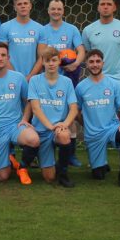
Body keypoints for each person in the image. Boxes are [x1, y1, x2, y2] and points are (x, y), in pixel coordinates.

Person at [0, 42, 41, 184]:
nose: (0, 58)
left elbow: (29, 101)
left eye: (3, 55)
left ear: (8, 58)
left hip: (15, 126)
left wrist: (25, 119)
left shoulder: (18, 78)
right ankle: (10, 160)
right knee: (3, 176)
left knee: (34, 139)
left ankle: (22, 168)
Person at [74, 49, 120, 187]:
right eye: (91, 62)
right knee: (98, 176)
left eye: (98, 61)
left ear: (103, 63)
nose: (95, 65)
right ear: (86, 64)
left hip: (111, 128)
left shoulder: (113, 84)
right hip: (93, 135)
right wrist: (85, 124)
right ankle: (101, 164)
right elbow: (75, 111)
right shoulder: (81, 87)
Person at [37, 0, 86, 167]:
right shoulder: (43, 30)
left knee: (70, 114)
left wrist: (76, 63)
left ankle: (70, 154)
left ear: (63, 11)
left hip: (68, 78)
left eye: (59, 9)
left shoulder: (72, 29)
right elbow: (41, 55)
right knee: (48, 112)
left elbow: (80, 50)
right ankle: (45, 151)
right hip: (48, 79)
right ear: (48, 11)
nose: (56, 12)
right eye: (53, 9)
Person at [26, 47, 78, 187]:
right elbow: (35, 109)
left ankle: (63, 174)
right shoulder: (35, 81)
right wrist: (51, 126)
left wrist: (64, 124)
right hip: (42, 131)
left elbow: (73, 109)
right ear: (42, 62)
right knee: (49, 178)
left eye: (54, 60)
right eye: (47, 60)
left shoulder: (67, 82)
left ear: (59, 61)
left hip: (59, 129)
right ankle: (42, 158)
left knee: (64, 135)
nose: (51, 64)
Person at [82, 0, 120, 104]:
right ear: (98, 8)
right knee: (100, 111)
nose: (105, 7)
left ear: (114, 7)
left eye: (109, 4)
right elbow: (87, 53)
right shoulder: (88, 30)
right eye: (102, 4)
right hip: (98, 79)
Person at [0, 0, 43, 80]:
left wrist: (30, 77)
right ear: (15, 8)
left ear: (30, 6)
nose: (23, 6)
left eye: (25, 3)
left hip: (33, 78)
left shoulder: (40, 28)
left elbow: (42, 58)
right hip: (10, 77)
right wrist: (16, 77)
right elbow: (2, 55)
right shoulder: (5, 27)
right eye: (19, 4)